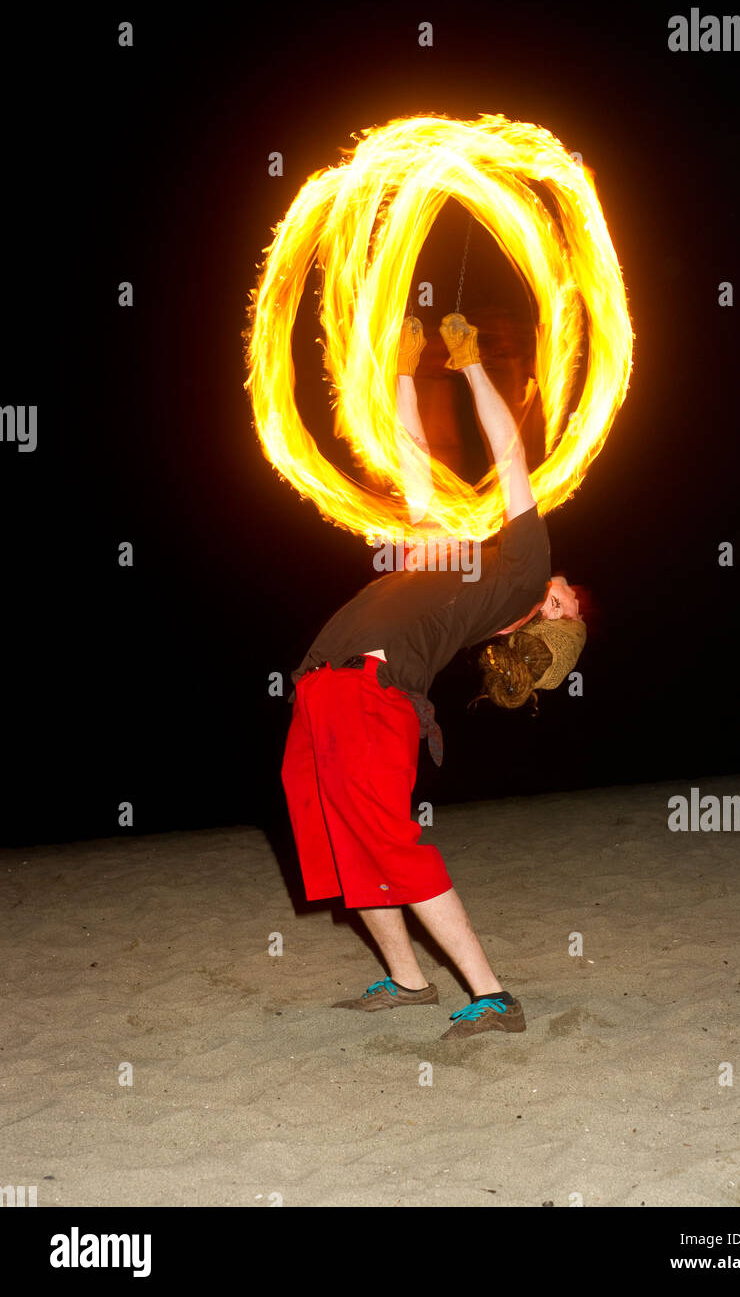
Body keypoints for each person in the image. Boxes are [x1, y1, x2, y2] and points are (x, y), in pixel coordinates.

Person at [281, 313, 587, 1040]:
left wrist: (473, 367)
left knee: (390, 842)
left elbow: (510, 457)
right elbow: (413, 457)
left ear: (538, 618)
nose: (563, 585)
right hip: (321, 686)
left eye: (565, 603)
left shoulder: (519, 573)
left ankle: (490, 995)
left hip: (370, 695)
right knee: (344, 844)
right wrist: (405, 376)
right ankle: (408, 980)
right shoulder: (445, 558)